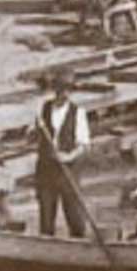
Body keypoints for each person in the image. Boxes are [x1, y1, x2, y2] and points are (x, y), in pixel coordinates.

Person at [34, 78, 91, 236]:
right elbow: (35, 138)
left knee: (75, 218)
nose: (64, 93)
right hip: (46, 170)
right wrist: (35, 130)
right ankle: (45, 253)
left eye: (68, 89)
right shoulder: (44, 109)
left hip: (68, 171)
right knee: (46, 219)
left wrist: (68, 156)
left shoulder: (78, 113)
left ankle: (78, 251)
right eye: (61, 89)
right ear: (55, 89)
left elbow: (84, 145)